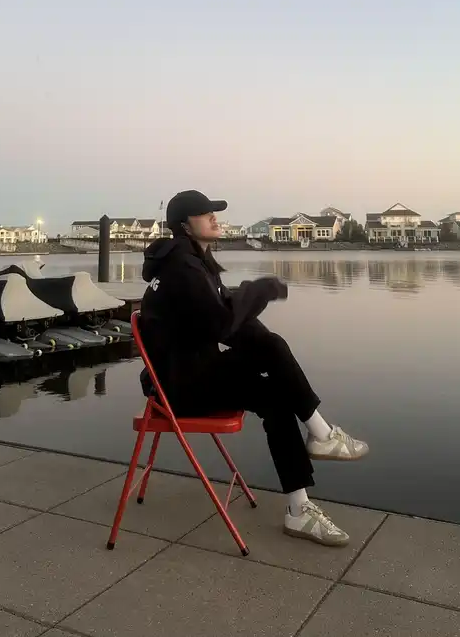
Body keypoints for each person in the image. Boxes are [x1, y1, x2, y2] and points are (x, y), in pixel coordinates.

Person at [139, 190, 369, 546]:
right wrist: (258, 292)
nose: (214, 217)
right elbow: (222, 324)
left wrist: (258, 322)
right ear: (184, 225)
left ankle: (299, 509)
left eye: (213, 212)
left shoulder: (194, 263)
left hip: (195, 371)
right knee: (271, 350)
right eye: (205, 213)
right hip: (179, 389)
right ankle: (322, 435)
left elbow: (226, 318)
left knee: (275, 384)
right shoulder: (182, 269)